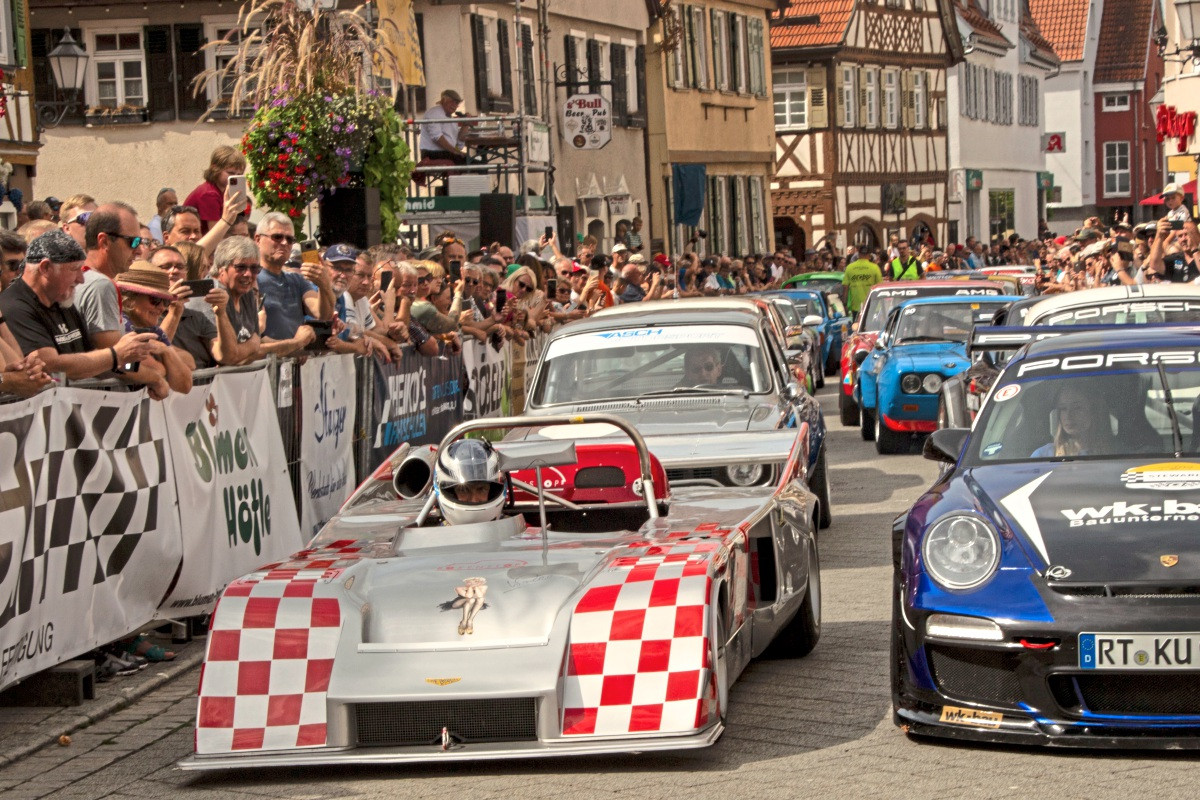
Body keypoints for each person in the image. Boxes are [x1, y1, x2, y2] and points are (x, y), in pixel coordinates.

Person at [0, 230, 161, 392]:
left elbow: (96, 359)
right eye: (74, 269)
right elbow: (53, 366)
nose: (81, 279)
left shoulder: (62, 301)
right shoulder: (15, 306)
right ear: (46, 268)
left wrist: (149, 375)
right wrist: (116, 355)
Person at [254, 211, 334, 345]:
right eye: (277, 237)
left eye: (290, 239)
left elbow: (322, 315)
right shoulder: (250, 279)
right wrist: (295, 344)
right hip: (265, 362)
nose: (285, 243)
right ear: (258, 239)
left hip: (293, 363)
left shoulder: (297, 280)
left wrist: (323, 284)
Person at [114, 262, 194, 394]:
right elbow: (153, 369)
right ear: (128, 299)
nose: (162, 307)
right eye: (155, 300)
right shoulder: (121, 323)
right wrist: (160, 372)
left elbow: (184, 386)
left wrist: (166, 351)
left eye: (166, 301)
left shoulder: (153, 329)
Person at [75, 203, 144, 352]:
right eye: (133, 242)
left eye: (140, 241)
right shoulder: (100, 286)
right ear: (104, 241)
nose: (139, 250)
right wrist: (157, 373)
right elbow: (119, 361)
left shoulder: (80, 277)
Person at [435, 438, 506, 526]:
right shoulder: (432, 538)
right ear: (451, 492)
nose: (474, 500)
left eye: (481, 489)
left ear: (493, 491)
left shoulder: (516, 530)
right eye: (463, 490)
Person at [1031, 386, 1114, 458]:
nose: (1068, 416)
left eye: (1077, 408)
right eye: (1063, 408)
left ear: (1093, 411)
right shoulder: (1042, 455)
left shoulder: (1118, 453)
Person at [185, 145, 246, 233]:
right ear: (215, 168)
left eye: (239, 174)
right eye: (230, 173)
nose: (235, 177)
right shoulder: (209, 194)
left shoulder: (221, 191)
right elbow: (215, 233)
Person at [419, 89, 471, 165]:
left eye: (457, 103)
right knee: (474, 164)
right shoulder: (434, 113)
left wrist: (465, 125)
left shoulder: (451, 120)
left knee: (472, 161)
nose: (455, 105)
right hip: (432, 153)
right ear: (444, 101)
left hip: (446, 153)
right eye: (452, 102)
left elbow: (459, 144)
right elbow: (437, 137)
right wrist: (455, 151)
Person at [842, 250, 882, 318]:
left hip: (856, 306)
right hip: (872, 305)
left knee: (856, 326)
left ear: (858, 255)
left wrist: (844, 304)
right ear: (869, 256)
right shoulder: (875, 267)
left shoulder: (850, 267)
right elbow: (880, 286)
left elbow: (845, 286)